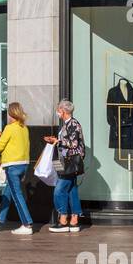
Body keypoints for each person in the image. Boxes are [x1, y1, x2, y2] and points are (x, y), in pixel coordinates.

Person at [44, 98, 86, 232]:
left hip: (69, 162)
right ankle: (74, 219)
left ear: (63, 110)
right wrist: (55, 141)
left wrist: (58, 141)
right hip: (64, 161)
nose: (57, 112)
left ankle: (63, 218)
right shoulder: (66, 125)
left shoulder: (73, 123)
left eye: (58, 110)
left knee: (59, 190)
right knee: (72, 190)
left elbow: (74, 143)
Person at [0, 101, 33, 234]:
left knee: (16, 195)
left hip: (12, 165)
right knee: (8, 192)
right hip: (24, 164)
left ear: (11, 114)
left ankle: (27, 224)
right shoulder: (24, 128)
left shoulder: (9, 128)